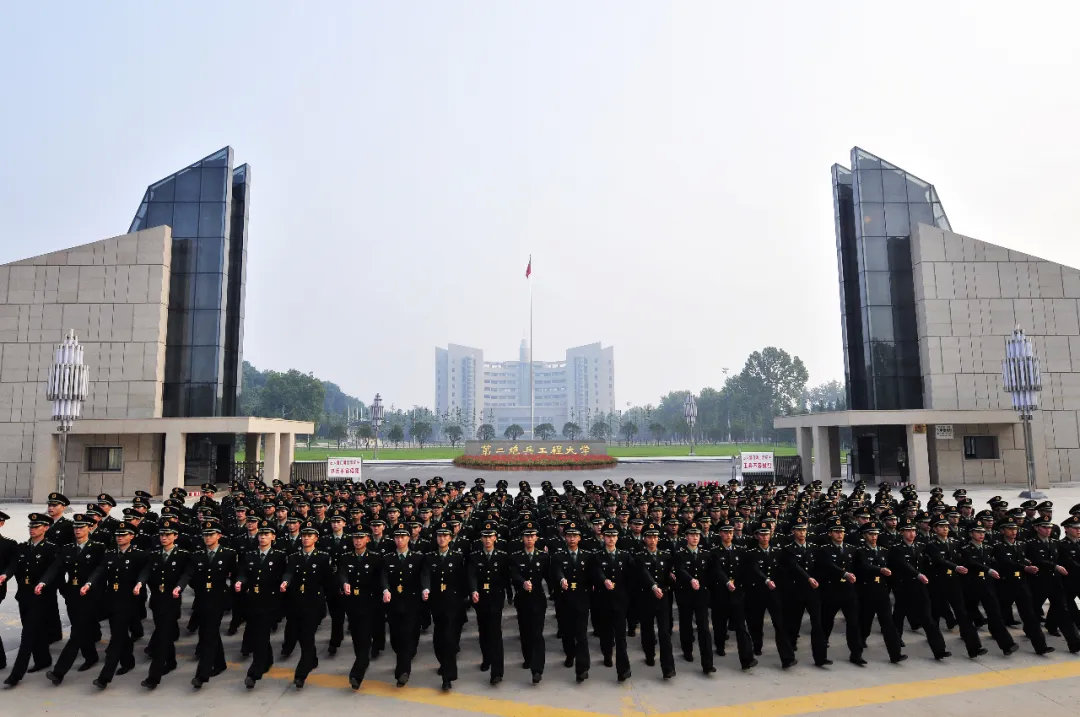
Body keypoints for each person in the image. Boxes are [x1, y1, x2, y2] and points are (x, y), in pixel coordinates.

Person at [41, 513, 106, 685]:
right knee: (81, 628)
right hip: (72, 596)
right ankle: (91, 656)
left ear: (90, 528)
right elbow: (56, 568)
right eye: (76, 527)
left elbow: (100, 569)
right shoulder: (68, 548)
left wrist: (90, 584)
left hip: (91, 596)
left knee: (76, 633)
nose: (77, 530)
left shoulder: (98, 547)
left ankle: (59, 671)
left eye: (81, 527)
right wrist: (44, 582)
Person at [87, 520, 150, 689]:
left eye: (123, 535)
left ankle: (105, 677)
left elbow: (146, 570)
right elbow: (100, 570)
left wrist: (140, 583)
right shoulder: (110, 554)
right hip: (112, 599)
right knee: (120, 633)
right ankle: (128, 662)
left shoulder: (138, 554)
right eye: (117, 535)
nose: (119, 538)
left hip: (129, 600)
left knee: (116, 638)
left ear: (132, 536)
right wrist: (89, 583)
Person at [0, 513, 58, 686]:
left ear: (46, 528)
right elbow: (14, 565)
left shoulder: (51, 548)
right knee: (34, 630)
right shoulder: (23, 547)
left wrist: (43, 582)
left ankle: (17, 674)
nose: (32, 530)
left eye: (37, 526)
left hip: (40, 597)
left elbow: (54, 569)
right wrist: (5, 575)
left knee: (27, 635)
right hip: (23, 596)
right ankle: (43, 660)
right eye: (31, 527)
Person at [280, 519, 334, 689]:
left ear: (316, 538)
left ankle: (301, 674)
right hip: (296, 604)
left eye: (309, 535)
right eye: (303, 535)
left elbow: (329, 582)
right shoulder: (294, 557)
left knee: (306, 638)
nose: (305, 538)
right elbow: (288, 573)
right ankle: (313, 660)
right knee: (300, 636)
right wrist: (285, 582)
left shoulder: (324, 558)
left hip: (314, 604)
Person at [138, 518, 192, 689]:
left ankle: (154, 676)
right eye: (162, 534)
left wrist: (180, 586)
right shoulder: (154, 554)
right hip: (156, 601)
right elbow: (146, 571)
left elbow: (187, 573)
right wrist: (140, 582)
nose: (164, 538)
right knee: (164, 632)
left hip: (172, 601)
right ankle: (172, 661)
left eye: (168, 535)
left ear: (175, 536)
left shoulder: (183, 555)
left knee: (162, 636)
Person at [234, 521, 287, 689]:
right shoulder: (249, 555)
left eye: (266, 535)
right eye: (260, 535)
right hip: (252, 601)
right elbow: (242, 572)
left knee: (260, 635)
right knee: (259, 633)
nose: (263, 537)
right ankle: (268, 660)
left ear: (273, 537)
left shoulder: (279, 556)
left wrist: (285, 583)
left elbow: (285, 573)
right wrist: (240, 582)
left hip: (270, 602)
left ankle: (254, 672)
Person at [186, 519, 238, 688]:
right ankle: (220, 663)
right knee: (210, 632)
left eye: (211, 534)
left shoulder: (228, 554)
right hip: (202, 599)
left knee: (208, 635)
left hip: (218, 600)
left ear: (219, 536)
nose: (207, 537)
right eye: (205, 535)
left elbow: (237, 575)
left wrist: (232, 592)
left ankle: (202, 674)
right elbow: (191, 576)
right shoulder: (197, 555)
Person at [888, 520, 950, 660]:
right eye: (908, 531)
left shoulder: (922, 546)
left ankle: (939, 650)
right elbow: (903, 565)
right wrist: (918, 574)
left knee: (928, 620)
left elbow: (933, 560)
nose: (912, 534)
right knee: (898, 619)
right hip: (904, 588)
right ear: (902, 532)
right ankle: (895, 653)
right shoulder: (896, 548)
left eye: (914, 531)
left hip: (920, 588)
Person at [924, 517, 985, 658]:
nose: (945, 528)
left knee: (963, 614)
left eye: (946, 526)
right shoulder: (931, 545)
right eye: (940, 526)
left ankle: (974, 647)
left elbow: (965, 558)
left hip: (954, 583)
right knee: (934, 618)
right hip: (938, 584)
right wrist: (956, 567)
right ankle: (939, 650)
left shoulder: (955, 542)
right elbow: (939, 560)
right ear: (934, 529)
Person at [958, 519, 1018, 656]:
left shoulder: (989, 548)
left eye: (983, 532)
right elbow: (971, 563)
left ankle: (1007, 645)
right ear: (971, 533)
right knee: (968, 618)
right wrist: (988, 570)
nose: (981, 535)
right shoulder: (965, 549)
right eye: (978, 532)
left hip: (987, 586)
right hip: (971, 587)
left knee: (995, 615)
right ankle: (974, 648)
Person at [741, 521, 796, 669]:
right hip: (756, 593)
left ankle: (787, 657)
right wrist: (765, 580)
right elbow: (753, 569)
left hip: (774, 593)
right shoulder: (751, 553)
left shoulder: (778, 551)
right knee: (755, 623)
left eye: (767, 534)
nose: (765, 537)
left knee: (780, 624)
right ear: (756, 536)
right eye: (762, 534)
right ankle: (757, 645)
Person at [815, 519, 866, 666]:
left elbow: (859, 567)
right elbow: (828, 566)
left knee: (853, 624)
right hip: (831, 592)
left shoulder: (851, 549)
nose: (840, 534)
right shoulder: (824, 550)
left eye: (842, 532)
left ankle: (856, 655)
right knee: (826, 624)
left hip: (849, 592)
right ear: (830, 533)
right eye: (836, 532)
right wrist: (844, 574)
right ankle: (821, 656)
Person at [853, 522, 906, 663]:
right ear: (864, 536)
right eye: (871, 534)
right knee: (864, 623)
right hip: (866, 592)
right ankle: (858, 650)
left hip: (882, 592)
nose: (874, 537)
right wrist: (880, 570)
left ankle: (895, 654)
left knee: (888, 624)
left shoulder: (883, 551)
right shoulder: (860, 551)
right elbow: (864, 566)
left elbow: (891, 569)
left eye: (876, 534)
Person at [424, 520, 468, 690]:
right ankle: (443, 663)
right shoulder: (430, 557)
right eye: (439, 536)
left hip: (453, 604)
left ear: (451, 538)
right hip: (436, 604)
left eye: (445, 536)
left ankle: (448, 676)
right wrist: (426, 589)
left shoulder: (457, 557)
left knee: (449, 638)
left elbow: (462, 580)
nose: (441, 539)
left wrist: (465, 599)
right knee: (438, 639)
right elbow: (426, 575)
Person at [779, 517, 827, 666]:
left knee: (817, 624)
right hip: (795, 591)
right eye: (799, 530)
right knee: (793, 623)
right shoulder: (788, 550)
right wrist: (808, 579)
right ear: (793, 531)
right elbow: (794, 566)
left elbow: (821, 567)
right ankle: (790, 650)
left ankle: (820, 657)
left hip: (812, 592)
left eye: (804, 530)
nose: (802, 533)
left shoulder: (813, 548)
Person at [382, 522, 425, 687]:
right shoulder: (387, 558)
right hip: (393, 604)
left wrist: (425, 588)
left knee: (407, 636)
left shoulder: (418, 557)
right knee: (395, 638)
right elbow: (383, 576)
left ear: (409, 537)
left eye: (403, 536)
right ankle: (406, 656)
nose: (399, 540)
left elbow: (424, 575)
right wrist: (385, 589)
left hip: (412, 603)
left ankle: (403, 671)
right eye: (397, 537)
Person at [708, 521, 756, 670]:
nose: (729, 535)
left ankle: (747, 659)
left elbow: (744, 570)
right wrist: (726, 582)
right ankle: (720, 645)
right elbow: (716, 570)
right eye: (726, 532)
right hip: (720, 593)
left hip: (737, 594)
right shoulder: (714, 551)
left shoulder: (740, 550)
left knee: (741, 627)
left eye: (731, 532)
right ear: (720, 534)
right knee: (720, 624)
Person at [467, 520, 509, 686]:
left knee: (495, 633)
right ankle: (487, 658)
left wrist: (509, 594)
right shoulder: (475, 556)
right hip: (480, 599)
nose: (487, 539)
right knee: (483, 630)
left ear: (495, 538)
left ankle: (497, 671)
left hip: (496, 599)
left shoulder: (502, 556)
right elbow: (471, 575)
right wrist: (473, 590)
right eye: (485, 536)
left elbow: (506, 577)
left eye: (490, 536)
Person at [592, 520, 633, 681]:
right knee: (606, 634)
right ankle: (607, 654)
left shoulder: (625, 555)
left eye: (613, 536)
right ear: (603, 537)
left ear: (617, 537)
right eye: (608, 536)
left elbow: (631, 576)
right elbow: (596, 572)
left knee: (621, 637)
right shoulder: (597, 556)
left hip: (620, 601)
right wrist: (604, 581)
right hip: (603, 601)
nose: (611, 539)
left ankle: (623, 669)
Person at [508, 520, 549, 685]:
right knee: (525, 632)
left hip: (538, 599)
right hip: (523, 600)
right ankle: (528, 658)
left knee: (537, 634)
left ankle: (537, 669)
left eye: (532, 536)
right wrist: (522, 581)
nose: (530, 538)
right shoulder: (516, 557)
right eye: (527, 536)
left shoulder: (544, 556)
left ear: (537, 538)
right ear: (522, 538)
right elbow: (513, 574)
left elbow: (550, 576)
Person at [552, 521, 592, 682]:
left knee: (581, 635)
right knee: (567, 633)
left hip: (582, 600)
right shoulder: (558, 556)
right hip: (564, 600)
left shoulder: (587, 556)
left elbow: (593, 574)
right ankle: (569, 654)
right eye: (569, 536)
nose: (572, 539)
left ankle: (582, 668)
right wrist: (561, 579)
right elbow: (556, 571)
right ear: (565, 537)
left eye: (575, 536)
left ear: (580, 538)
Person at [637, 521, 677, 677]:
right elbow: (642, 574)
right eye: (649, 537)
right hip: (646, 598)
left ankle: (668, 667)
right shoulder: (639, 557)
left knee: (664, 633)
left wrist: (672, 577)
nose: (652, 540)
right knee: (647, 630)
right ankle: (649, 654)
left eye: (655, 537)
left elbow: (669, 575)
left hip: (663, 598)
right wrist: (653, 586)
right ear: (644, 539)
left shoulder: (666, 556)